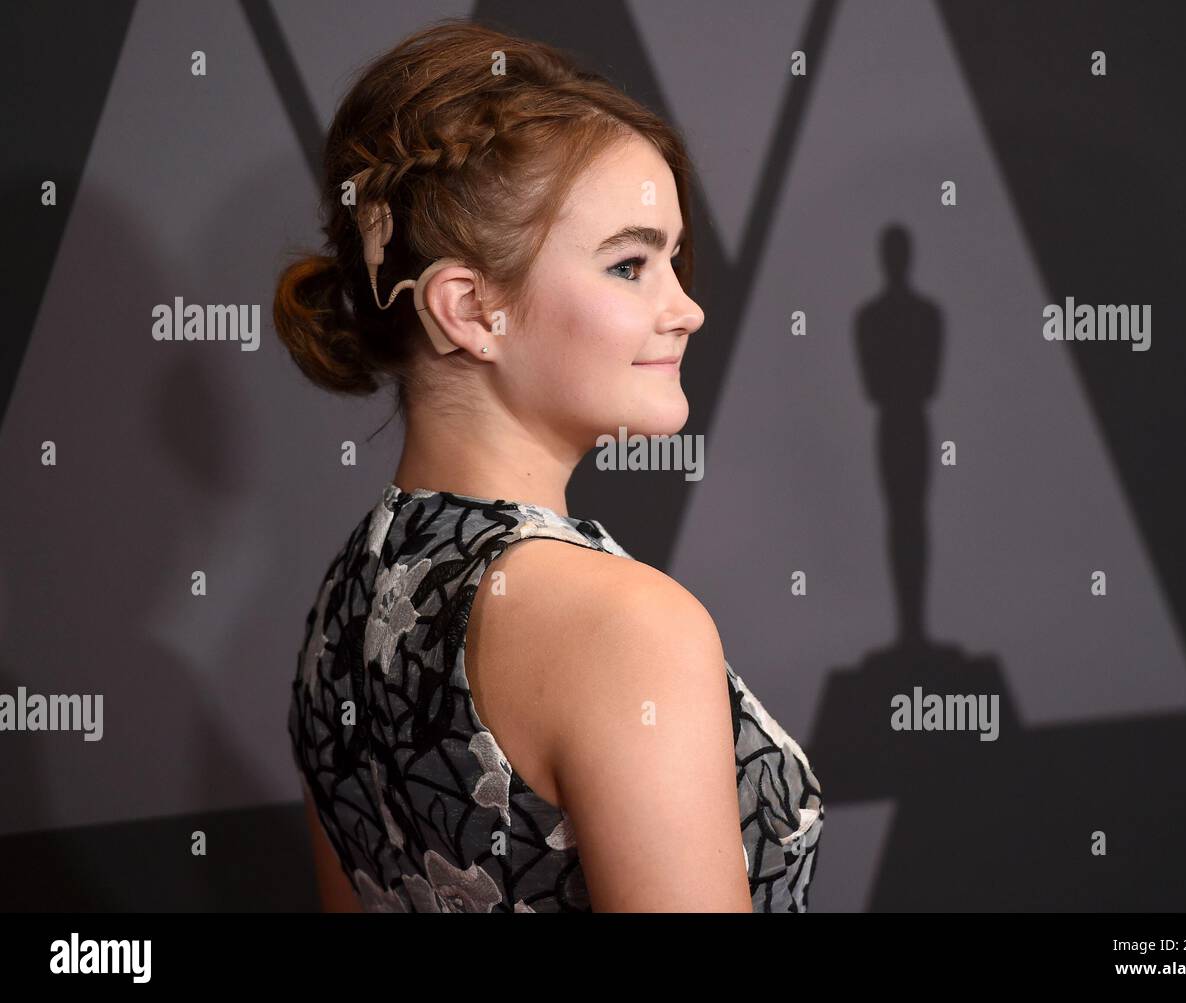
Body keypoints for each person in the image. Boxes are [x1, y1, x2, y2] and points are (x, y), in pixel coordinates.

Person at [274, 18, 823, 913]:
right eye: (629, 264)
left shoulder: (342, 611)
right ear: (468, 308)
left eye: (674, 260)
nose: (685, 309)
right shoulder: (629, 628)